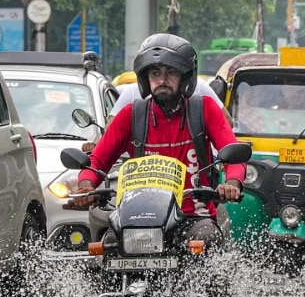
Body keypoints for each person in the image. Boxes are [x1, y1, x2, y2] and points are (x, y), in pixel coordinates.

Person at [72, 34, 245, 244]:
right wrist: (86, 185)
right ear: (146, 79)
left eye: (171, 72)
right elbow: (97, 160)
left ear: (186, 76)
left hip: (194, 217)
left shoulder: (205, 109)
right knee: (109, 245)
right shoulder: (130, 115)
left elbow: (233, 153)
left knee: (207, 238)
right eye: (155, 73)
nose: (162, 80)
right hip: (138, 218)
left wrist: (232, 184)